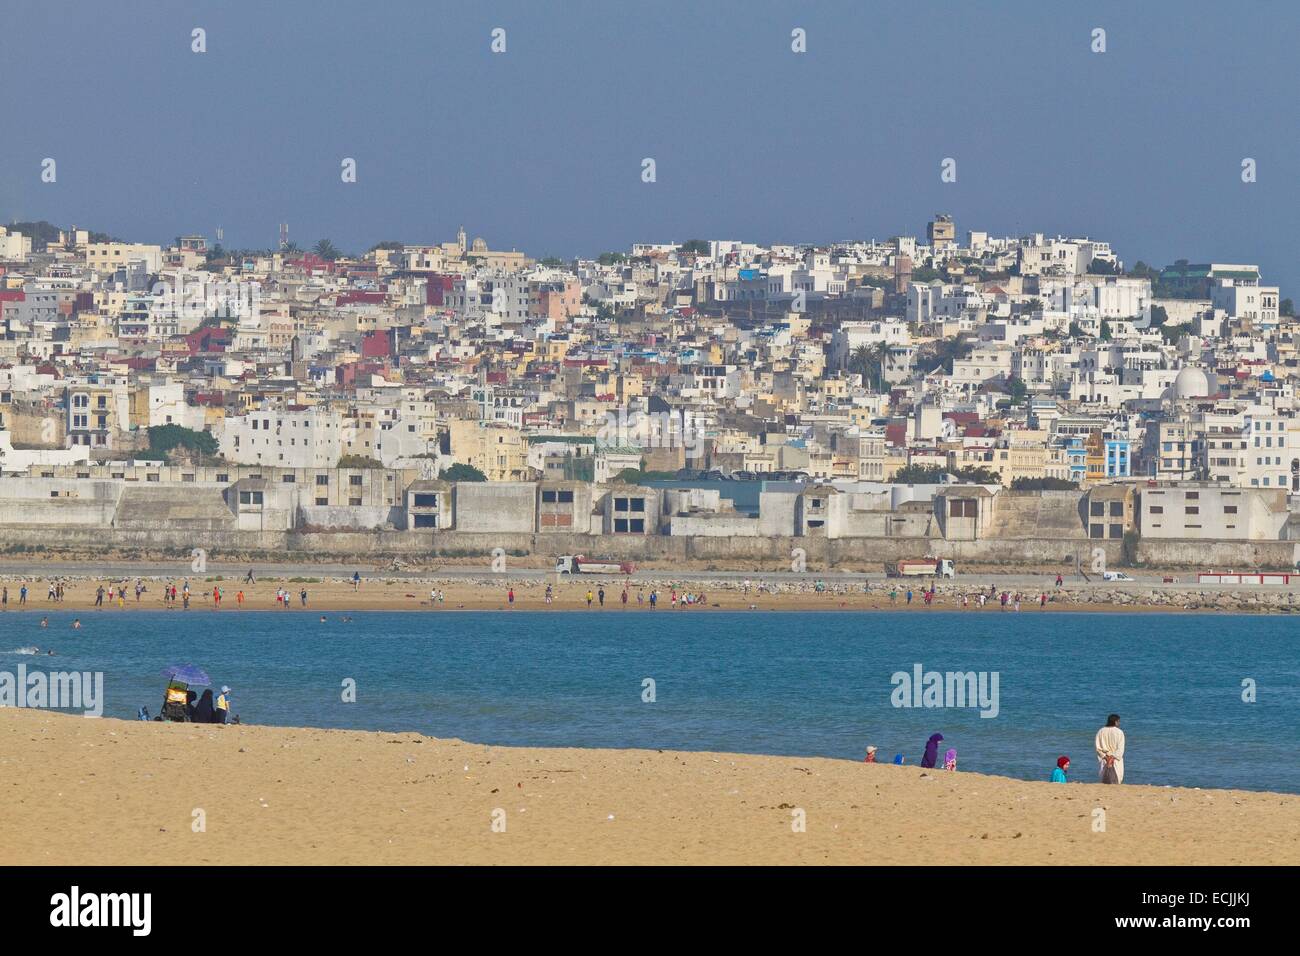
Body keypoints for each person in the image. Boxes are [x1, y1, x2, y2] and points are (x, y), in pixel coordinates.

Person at [1095, 714, 1126, 783]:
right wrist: (1112, 758)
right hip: (1116, 760)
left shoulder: (1101, 731)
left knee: (1103, 779)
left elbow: (1098, 748)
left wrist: (1106, 757)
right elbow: (1120, 749)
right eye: (1118, 721)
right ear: (1115, 722)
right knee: (1117, 779)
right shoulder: (1119, 732)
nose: (1119, 723)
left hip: (1104, 759)